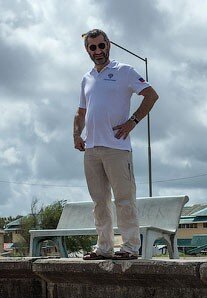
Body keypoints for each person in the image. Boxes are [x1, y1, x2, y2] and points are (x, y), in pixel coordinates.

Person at [73, 29, 159, 260]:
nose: (98, 51)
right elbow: (81, 112)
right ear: (87, 50)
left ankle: (130, 247)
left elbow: (151, 95)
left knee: (123, 199)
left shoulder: (124, 71)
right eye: (93, 47)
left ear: (108, 45)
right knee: (99, 202)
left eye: (102, 46)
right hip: (91, 150)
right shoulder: (87, 77)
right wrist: (76, 135)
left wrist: (132, 122)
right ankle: (104, 248)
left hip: (117, 147)